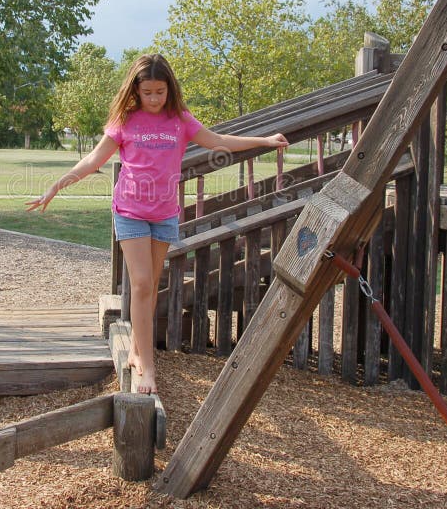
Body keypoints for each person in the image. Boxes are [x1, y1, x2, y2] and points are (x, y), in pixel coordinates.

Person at [27, 53, 288, 394]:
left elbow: (219, 141)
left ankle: (137, 349)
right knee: (142, 284)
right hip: (130, 211)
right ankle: (147, 368)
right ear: (135, 90)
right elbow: (94, 160)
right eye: (147, 92)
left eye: (159, 92)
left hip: (164, 213)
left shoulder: (179, 120)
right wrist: (56, 186)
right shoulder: (125, 120)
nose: (153, 98)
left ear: (169, 89)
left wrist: (265, 141)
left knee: (148, 289)